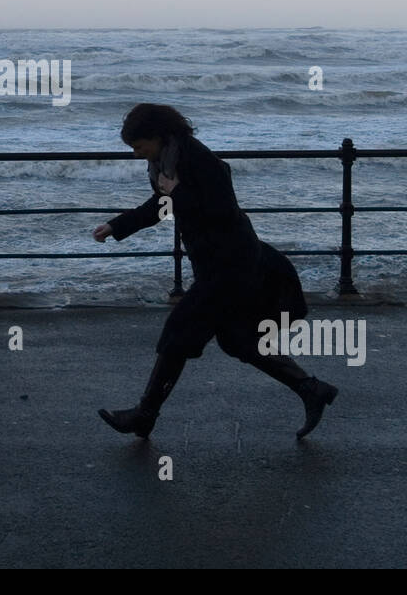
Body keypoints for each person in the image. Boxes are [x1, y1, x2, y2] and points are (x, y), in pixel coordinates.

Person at [92, 103, 338, 441]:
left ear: (158, 136)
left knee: (178, 332)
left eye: (138, 146)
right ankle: (311, 388)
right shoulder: (166, 161)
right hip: (220, 265)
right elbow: (162, 206)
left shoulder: (199, 159)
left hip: (232, 266)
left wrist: (177, 191)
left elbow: (221, 210)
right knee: (238, 340)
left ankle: (144, 415)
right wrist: (117, 225)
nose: (136, 155)